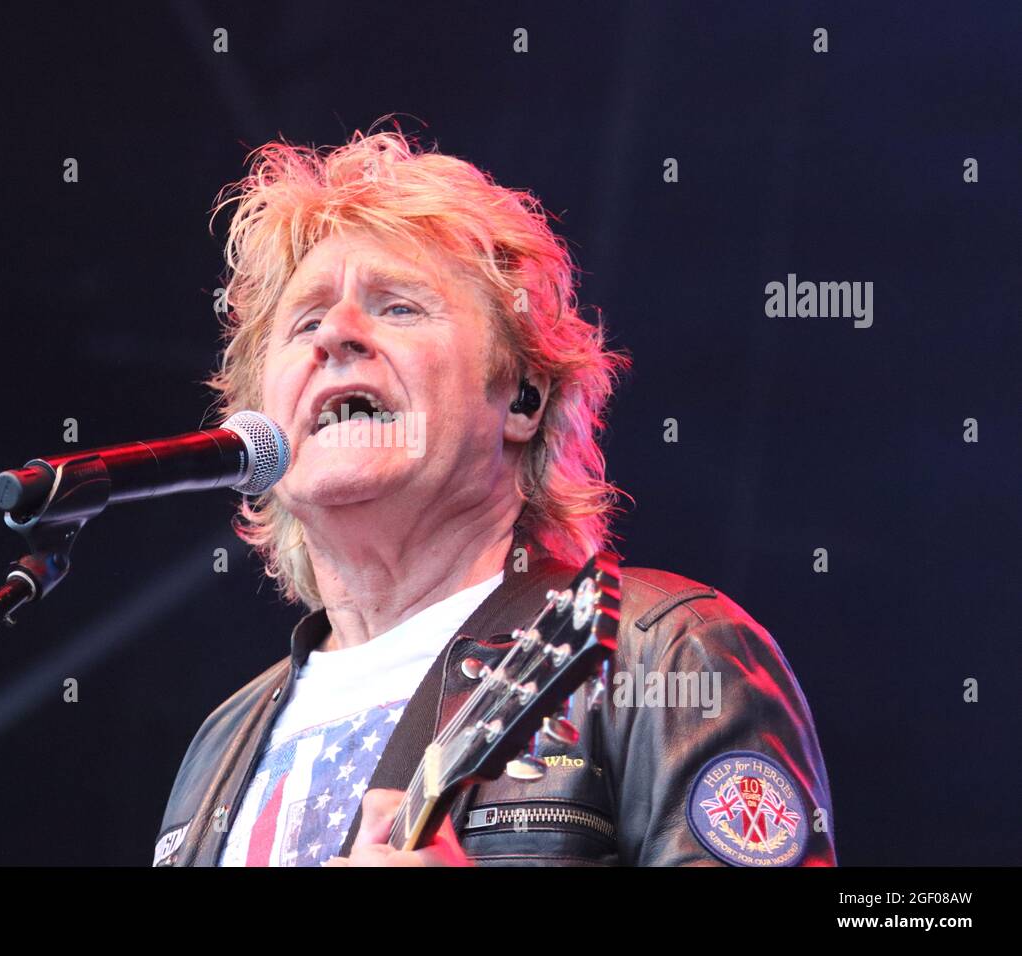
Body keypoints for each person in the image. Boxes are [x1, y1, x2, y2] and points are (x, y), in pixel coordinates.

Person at [154, 128, 836, 867]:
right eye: (306, 321)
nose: (337, 336)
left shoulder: (664, 653)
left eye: (398, 308)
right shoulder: (222, 741)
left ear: (523, 399)